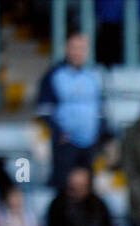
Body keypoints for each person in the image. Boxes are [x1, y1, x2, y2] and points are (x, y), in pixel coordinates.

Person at [36, 31, 105, 190]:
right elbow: (44, 110)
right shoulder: (53, 75)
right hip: (66, 144)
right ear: (66, 49)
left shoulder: (92, 76)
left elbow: (101, 109)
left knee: (88, 189)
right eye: (74, 47)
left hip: (89, 144)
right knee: (63, 188)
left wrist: (99, 134)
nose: (78, 52)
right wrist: (59, 133)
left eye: (81, 48)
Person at [46, 165, 115, 226]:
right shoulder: (58, 204)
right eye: (72, 186)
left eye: (80, 186)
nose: (75, 190)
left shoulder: (98, 204)